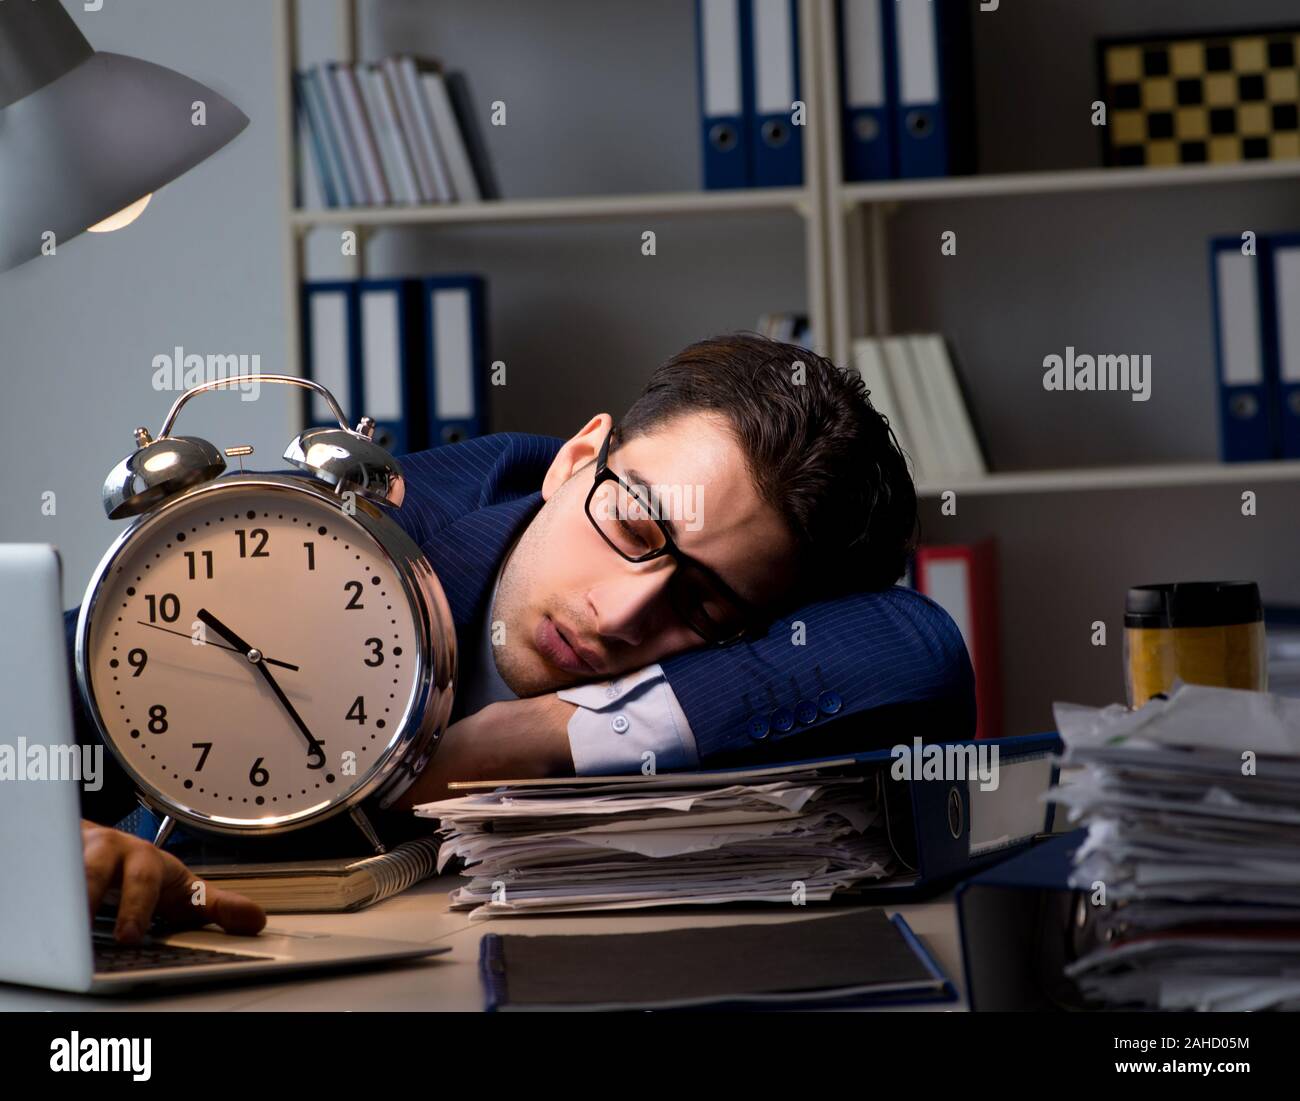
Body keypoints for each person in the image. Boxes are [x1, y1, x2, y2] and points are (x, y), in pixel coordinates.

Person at [70, 333, 974, 941]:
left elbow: (920, 653)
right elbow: (54, 689)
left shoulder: (762, 623)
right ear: (577, 458)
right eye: (632, 526)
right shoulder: (340, 538)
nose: (624, 615)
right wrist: (54, 839)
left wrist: (552, 734)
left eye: (700, 607)